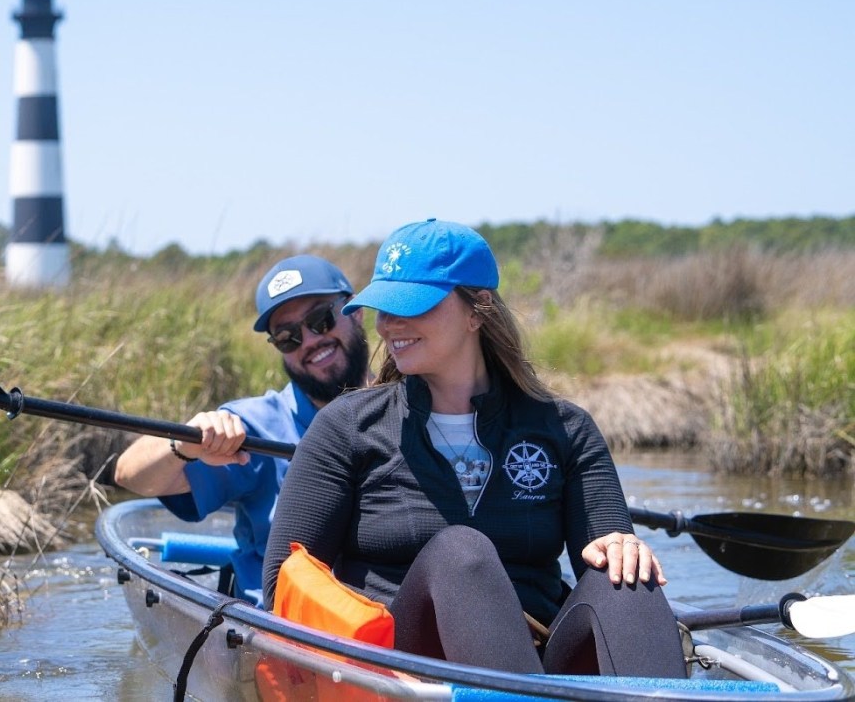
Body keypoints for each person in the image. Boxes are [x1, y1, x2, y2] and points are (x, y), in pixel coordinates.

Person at [262, 220, 687, 677]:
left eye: (411, 307)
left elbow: (606, 558)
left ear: (477, 310)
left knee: (625, 574)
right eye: (383, 308)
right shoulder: (345, 428)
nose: (389, 326)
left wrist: (621, 545)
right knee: (460, 552)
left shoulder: (566, 429)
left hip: (537, 656)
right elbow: (281, 581)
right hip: (397, 667)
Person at [113, 254, 372, 606]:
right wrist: (186, 442)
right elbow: (130, 473)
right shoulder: (256, 427)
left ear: (355, 312)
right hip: (283, 632)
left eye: (321, 319)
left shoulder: (408, 407)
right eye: (287, 336)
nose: (310, 341)